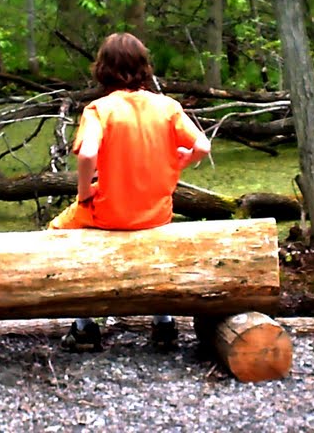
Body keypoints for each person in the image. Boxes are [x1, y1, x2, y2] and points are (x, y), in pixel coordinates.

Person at [48, 32, 211, 350]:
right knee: (157, 246)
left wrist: (84, 196)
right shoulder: (168, 107)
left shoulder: (99, 109)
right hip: (157, 213)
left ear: (102, 69)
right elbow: (203, 145)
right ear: (144, 67)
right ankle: (163, 323)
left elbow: (86, 154)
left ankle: (84, 327)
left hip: (110, 213)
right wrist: (186, 158)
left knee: (57, 234)